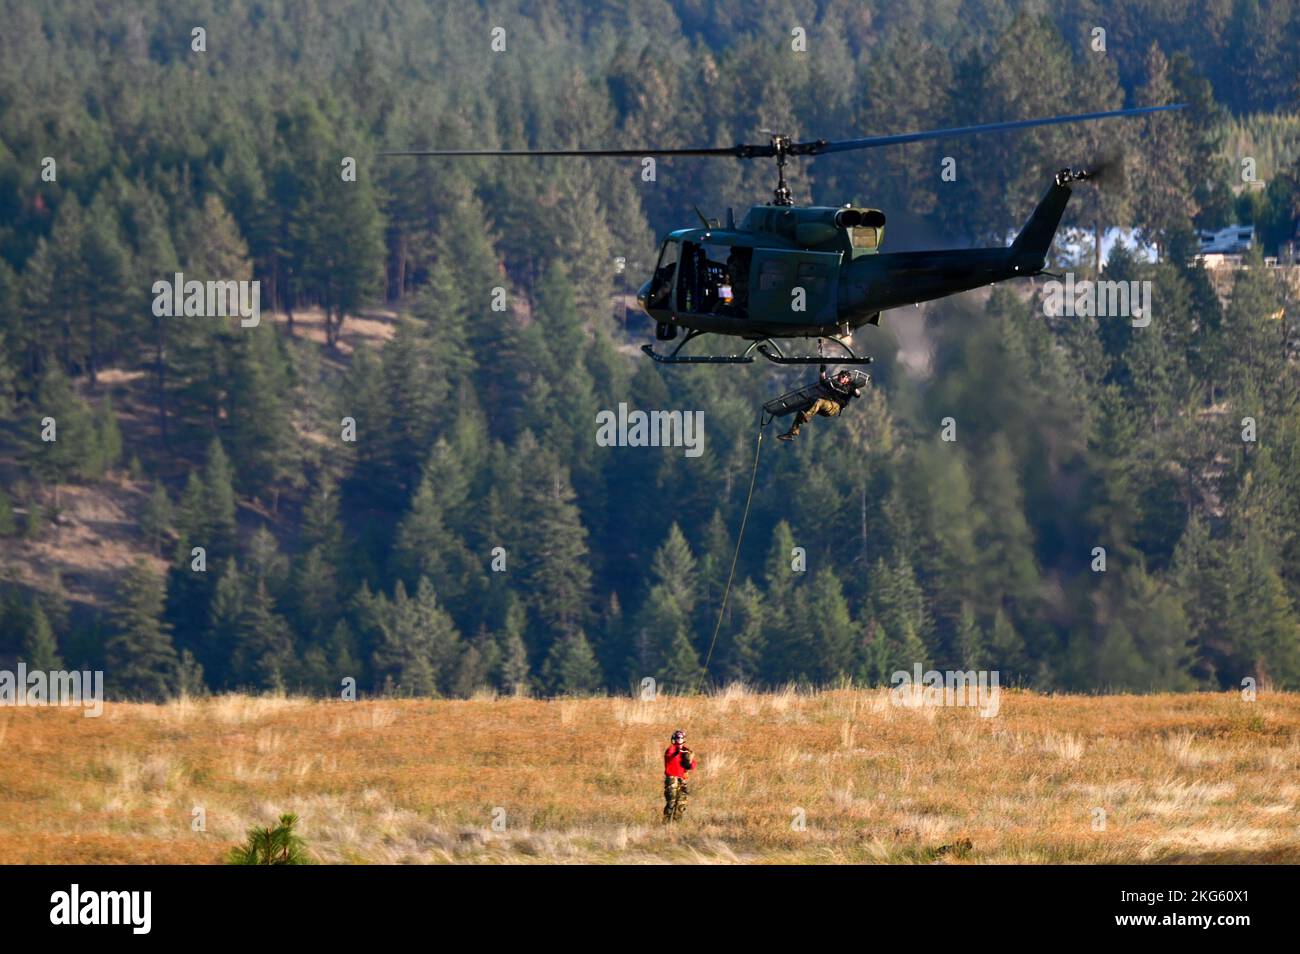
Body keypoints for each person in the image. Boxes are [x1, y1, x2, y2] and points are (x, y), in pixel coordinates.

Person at [777, 367, 862, 441]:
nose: (840, 377)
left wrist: (854, 387)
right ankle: (792, 432)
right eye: (840, 376)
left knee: (819, 401)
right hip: (823, 407)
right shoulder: (834, 384)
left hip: (834, 407)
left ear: (847, 379)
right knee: (803, 409)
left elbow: (858, 394)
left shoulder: (849, 387)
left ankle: (807, 416)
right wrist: (822, 370)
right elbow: (823, 381)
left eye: (843, 376)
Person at [663, 729, 696, 823]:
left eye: (681, 738)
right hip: (672, 779)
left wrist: (689, 764)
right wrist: (677, 752)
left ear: (684, 739)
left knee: (681, 803)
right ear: (674, 739)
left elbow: (693, 764)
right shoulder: (671, 749)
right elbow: (669, 757)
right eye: (677, 738)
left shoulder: (687, 751)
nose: (679, 740)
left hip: (682, 779)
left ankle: (676, 824)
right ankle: (666, 822)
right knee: (671, 802)